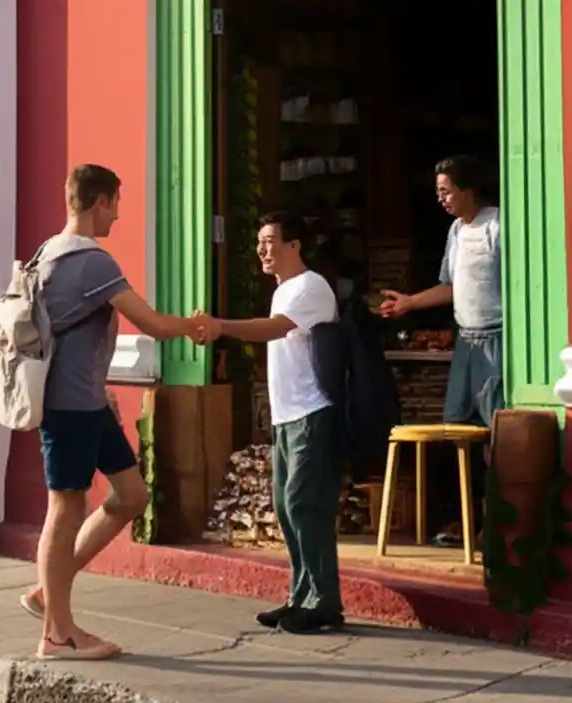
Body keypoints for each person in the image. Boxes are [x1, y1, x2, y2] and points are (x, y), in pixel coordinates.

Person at [20, 164, 208, 660]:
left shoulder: (48, 252)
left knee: (131, 494)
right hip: (70, 407)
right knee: (64, 510)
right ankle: (57, 636)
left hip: (88, 402)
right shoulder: (91, 261)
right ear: (100, 201)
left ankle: (48, 591)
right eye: (116, 203)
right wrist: (193, 326)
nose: (119, 214)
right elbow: (148, 321)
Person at [197, 212, 345, 634]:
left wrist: (221, 326)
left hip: (312, 412)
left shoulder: (310, 287)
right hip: (286, 416)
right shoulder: (282, 291)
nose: (262, 250)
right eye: (259, 242)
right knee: (285, 506)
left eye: (270, 241)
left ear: (294, 245)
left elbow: (274, 330)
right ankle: (301, 595)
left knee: (304, 504)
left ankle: (324, 601)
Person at [379, 154, 501, 546]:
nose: (442, 199)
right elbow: (449, 286)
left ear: (468, 190)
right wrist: (409, 303)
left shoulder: (496, 224)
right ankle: (463, 522)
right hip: (466, 340)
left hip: (496, 338)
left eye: (447, 191)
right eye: (438, 192)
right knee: (456, 431)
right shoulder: (454, 231)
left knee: (496, 437)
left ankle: (495, 527)